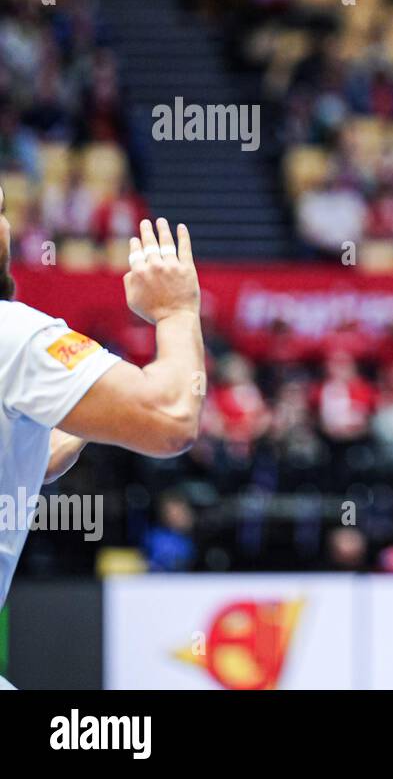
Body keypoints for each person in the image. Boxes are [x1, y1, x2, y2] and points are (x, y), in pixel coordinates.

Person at [0, 200, 205, 688]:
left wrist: (91, 408)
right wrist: (176, 310)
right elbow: (171, 416)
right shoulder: (11, 334)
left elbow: (25, 460)